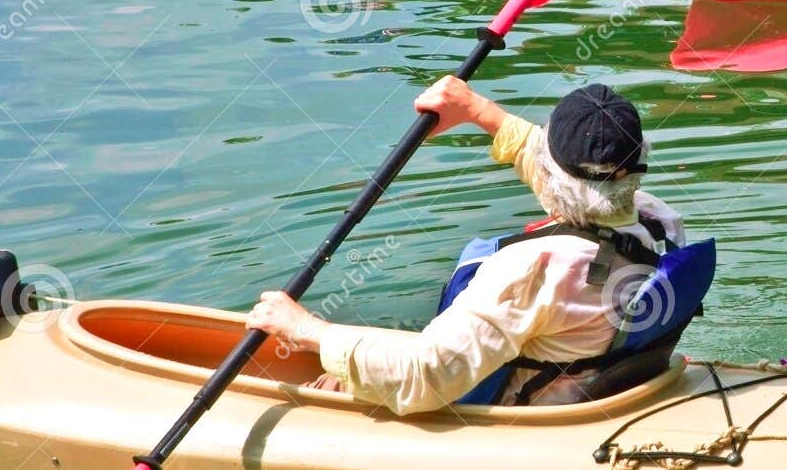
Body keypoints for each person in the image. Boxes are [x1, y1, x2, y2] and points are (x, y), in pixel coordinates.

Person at [246, 77, 692, 414]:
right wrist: (476, 109)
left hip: (514, 415)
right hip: (609, 386)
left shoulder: (533, 270)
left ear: (552, 176)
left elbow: (428, 376)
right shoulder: (660, 223)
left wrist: (307, 330)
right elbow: (575, 176)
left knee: (333, 385)